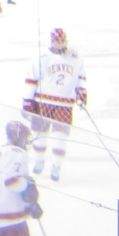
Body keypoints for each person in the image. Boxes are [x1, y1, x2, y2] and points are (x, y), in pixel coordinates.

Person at [24, 27, 87, 182]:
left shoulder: (75, 56)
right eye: (58, 41)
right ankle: (39, 160)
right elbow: (32, 78)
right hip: (43, 102)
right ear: (52, 41)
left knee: (61, 137)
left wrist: (81, 91)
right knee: (41, 136)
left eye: (63, 40)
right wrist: (27, 100)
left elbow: (81, 76)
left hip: (65, 104)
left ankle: (56, 166)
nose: (61, 43)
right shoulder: (42, 56)